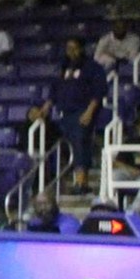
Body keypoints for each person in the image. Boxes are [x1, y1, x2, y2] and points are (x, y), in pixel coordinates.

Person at [48, 38, 107, 191]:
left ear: (81, 49)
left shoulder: (92, 67)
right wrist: (44, 109)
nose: (71, 51)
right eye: (68, 48)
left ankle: (82, 182)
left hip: (82, 111)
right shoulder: (62, 68)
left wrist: (89, 111)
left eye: (74, 48)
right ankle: (61, 182)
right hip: (63, 113)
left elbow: (98, 92)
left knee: (80, 143)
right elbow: (53, 92)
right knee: (62, 145)